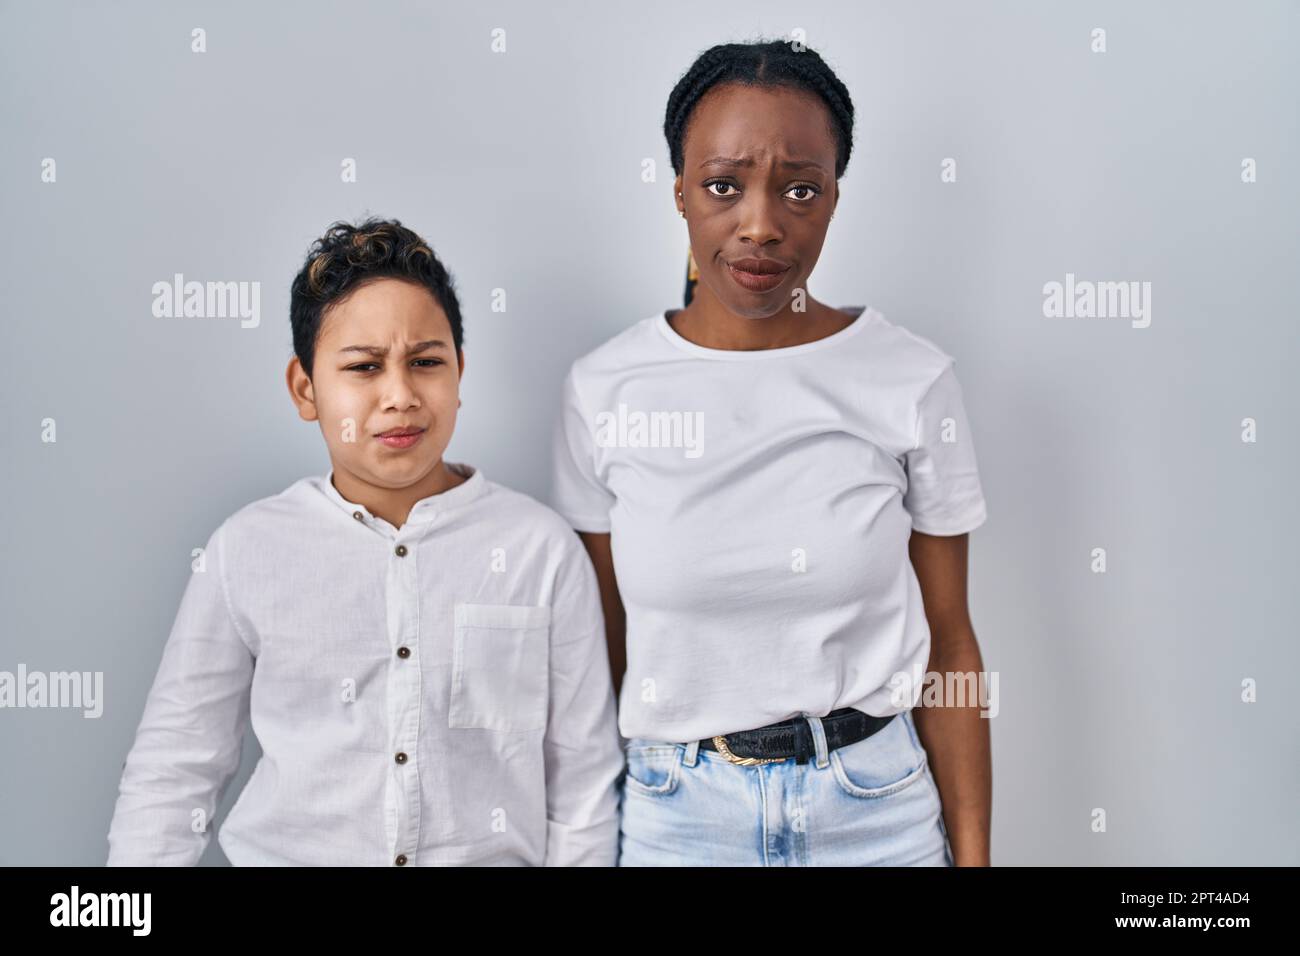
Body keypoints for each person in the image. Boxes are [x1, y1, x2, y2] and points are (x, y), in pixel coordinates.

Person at [551, 40, 991, 866]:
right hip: (675, 821)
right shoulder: (604, 390)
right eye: (723, 185)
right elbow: (598, 649)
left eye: (799, 188)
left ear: (832, 198)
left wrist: (974, 859)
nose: (760, 223)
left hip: (878, 816)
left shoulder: (911, 380)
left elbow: (950, 640)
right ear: (679, 191)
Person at [107, 218, 623, 865]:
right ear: (306, 388)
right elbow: (175, 765)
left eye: (426, 362)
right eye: (364, 367)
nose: (400, 396)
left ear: (459, 372)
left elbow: (581, 785)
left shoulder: (538, 553)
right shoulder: (247, 551)